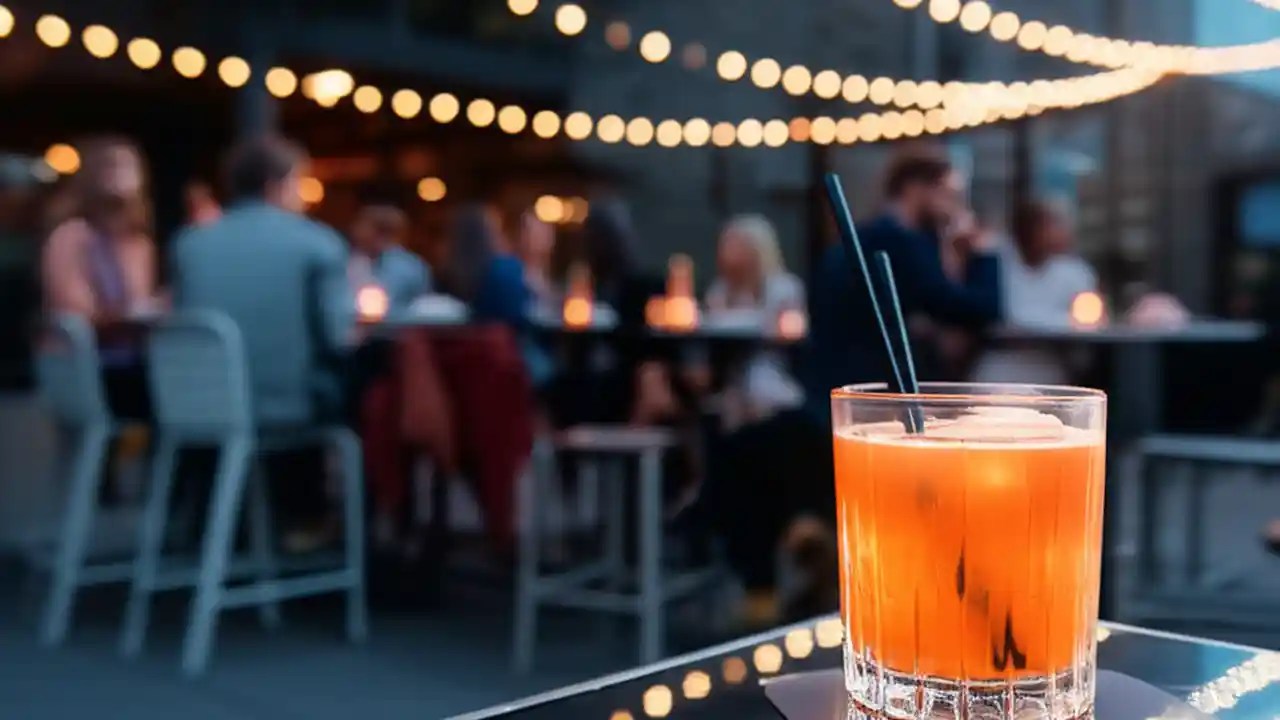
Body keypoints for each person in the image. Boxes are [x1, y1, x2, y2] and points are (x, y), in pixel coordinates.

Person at [171, 135, 354, 549]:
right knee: (360, 394)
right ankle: (320, 528)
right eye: (300, 183)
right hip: (281, 408)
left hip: (195, 407)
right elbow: (337, 337)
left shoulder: (189, 243)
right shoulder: (317, 243)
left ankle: (216, 527)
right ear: (277, 184)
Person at [806, 152, 1002, 405]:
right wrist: (984, 254)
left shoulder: (877, 235)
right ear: (915, 188)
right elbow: (972, 308)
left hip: (845, 380)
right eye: (949, 194)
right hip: (869, 386)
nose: (957, 207)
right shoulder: (897, 242)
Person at [41, 137, 157, 419]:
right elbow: (75, 315)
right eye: (112, 166)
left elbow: (139, 302)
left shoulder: (137, 243)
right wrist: (131, 314)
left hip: (129, 359)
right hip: (84, 364)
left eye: (129, 166)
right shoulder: (70, 237)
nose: (121, 174)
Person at [972, 199, 1098, 385]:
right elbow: (1004, 314)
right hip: (1001, 361)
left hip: (1050, 364)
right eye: (1048, 225)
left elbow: (1087, 323)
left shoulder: (1077, 272)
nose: (1057, 232)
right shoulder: (996, 261)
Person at [704, 215, 805, 427]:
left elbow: (791, 333)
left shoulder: (784, 288)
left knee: (757, 387)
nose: (727, 252)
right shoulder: (719, 290)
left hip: (774, 369)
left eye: (737, 245)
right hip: (726, 371)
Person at [348, 193, 431, 313]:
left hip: (397, 323)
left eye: (386, 229)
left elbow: (423, 308)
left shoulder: (411, 266)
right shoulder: (338, 260)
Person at [516, 210, 557, 314]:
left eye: (542, 232)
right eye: (529, 231)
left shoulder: (552, 277)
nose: (534, 238)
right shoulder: (510, 275)